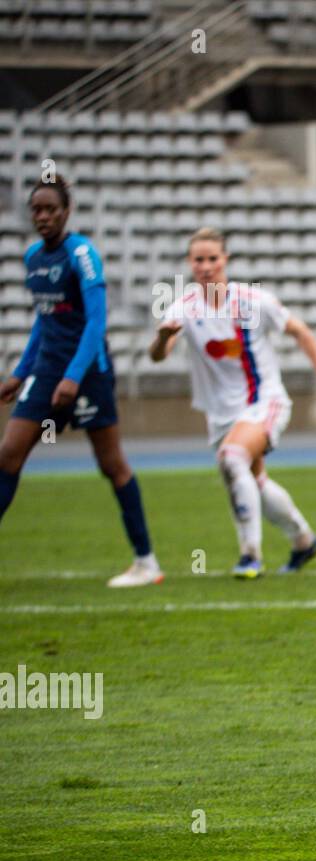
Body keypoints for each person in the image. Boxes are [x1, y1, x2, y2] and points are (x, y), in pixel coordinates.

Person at [148, 227, 316, 578]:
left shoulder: (252, 302)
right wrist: (162, 337)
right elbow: (158, 356)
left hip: (263, 402)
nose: (206, 266)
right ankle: (304, 540)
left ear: (225, 259)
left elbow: (301, 331)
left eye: (213, 258)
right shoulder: (183, 307)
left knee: (232, 458)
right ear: (189, 263)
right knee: (251, 480)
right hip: (220, 414)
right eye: (199, 259)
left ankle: (250, 555)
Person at [0, 176, 162, 587]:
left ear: (66, 212)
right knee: (8, 455)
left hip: (88, 374)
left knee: (112, 465)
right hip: (47, 372)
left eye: (50, 209)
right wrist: (20, 373)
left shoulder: (82, 254)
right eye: (36, 209)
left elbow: (96, 322)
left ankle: (147, 562)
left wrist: (73, 376)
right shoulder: (33, 257)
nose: (42, 216)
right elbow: (44, 319)